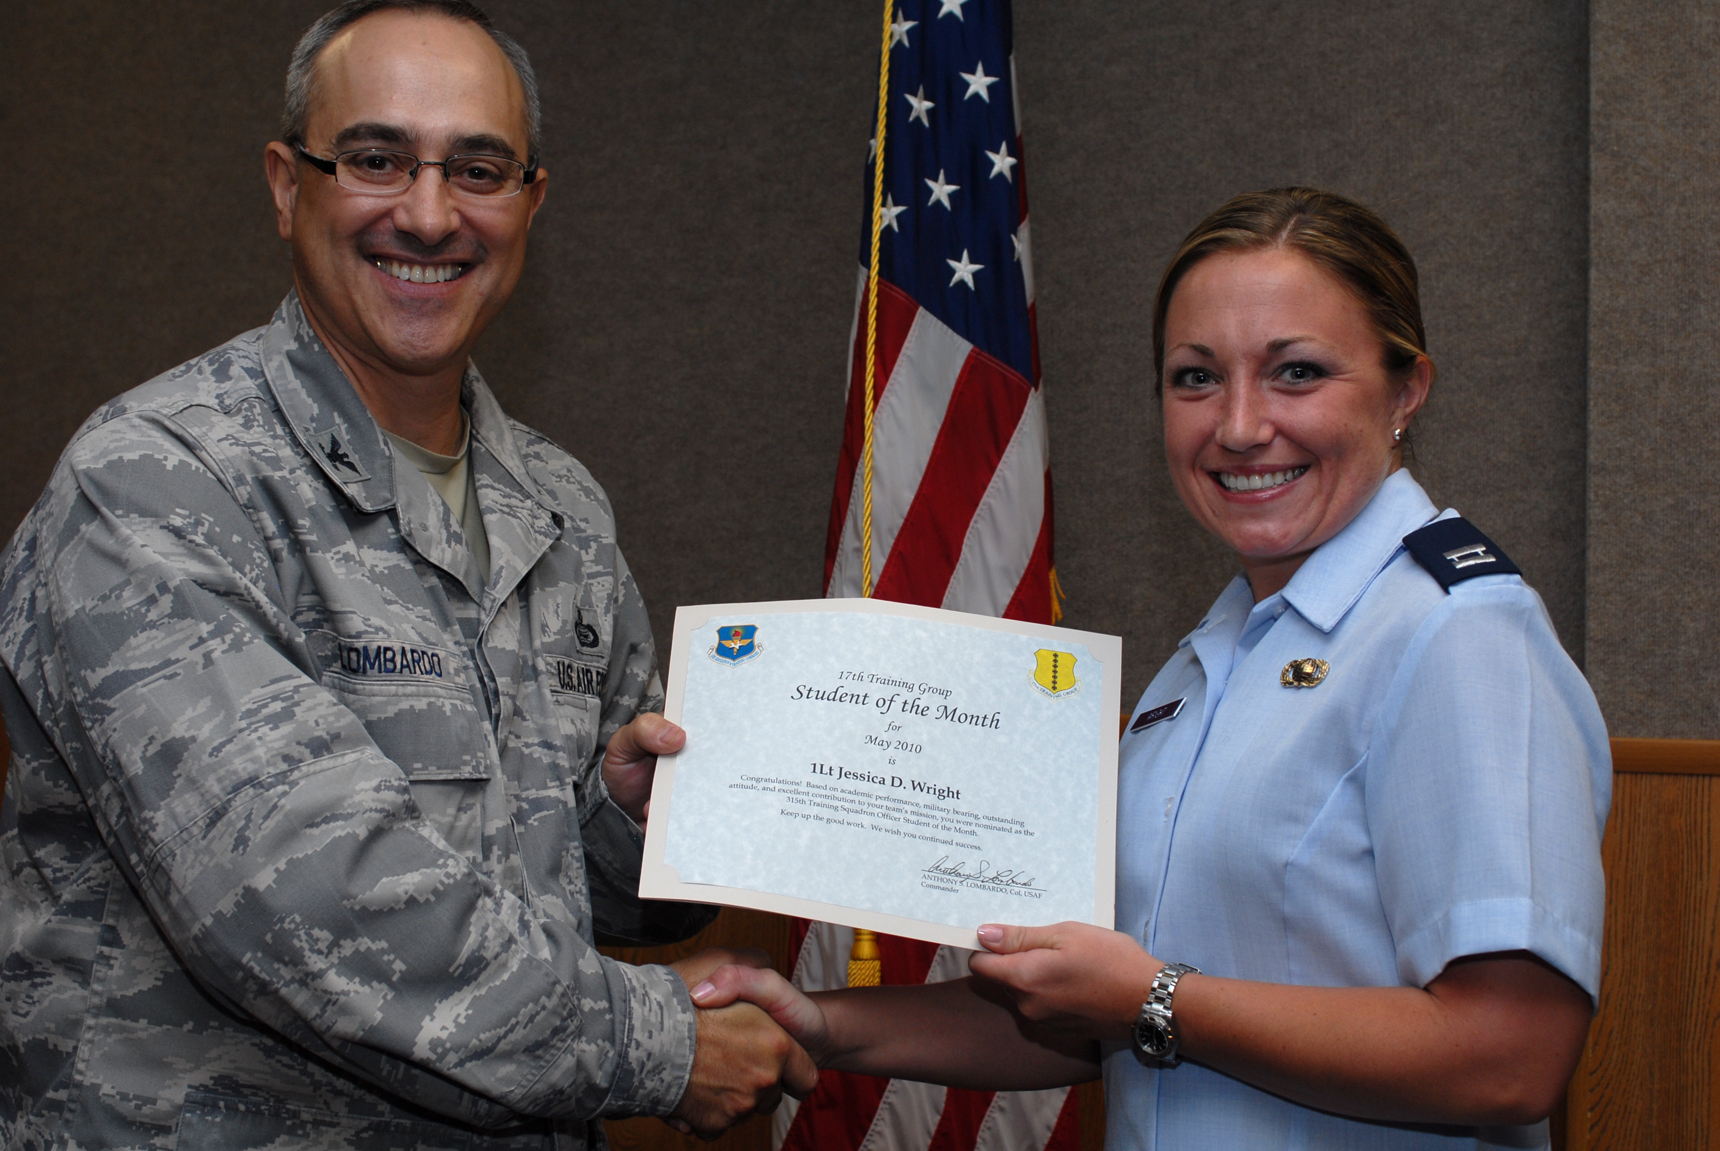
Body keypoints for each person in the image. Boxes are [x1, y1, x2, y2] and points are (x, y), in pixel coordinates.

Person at [0, 3, 814, 1148]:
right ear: (288, 185)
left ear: (531, 201)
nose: (428, 215)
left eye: (477, 169)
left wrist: (635, 823)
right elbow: (306, 901)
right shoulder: (157, 484)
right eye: (377, 159)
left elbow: (561, 885)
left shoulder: (561, 507)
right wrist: (658, 1041)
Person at [695, 187, 1610, 1150]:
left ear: (1406, 389)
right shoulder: (1206, 661)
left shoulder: (1459, 635)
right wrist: (823, 1024)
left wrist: (1157, 996)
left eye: (1296, 372)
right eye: (1195, 377)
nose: (1242, 425)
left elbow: (1510, 1055)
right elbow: (1104, 1018)